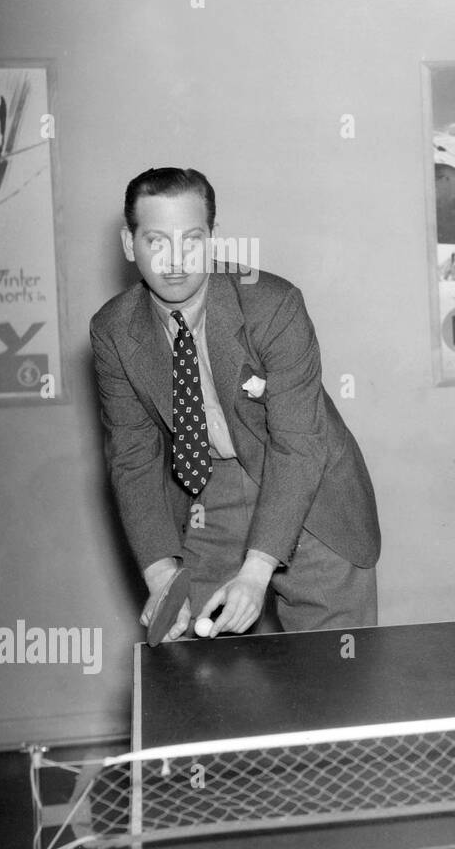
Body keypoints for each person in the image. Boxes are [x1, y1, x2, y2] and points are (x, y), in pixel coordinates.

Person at [91, 167, 381, 641]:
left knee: (336, 680)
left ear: (213, 239)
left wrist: (256, 570)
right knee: (195, 669)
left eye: (191, 239)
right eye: (156, 241)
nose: (176, 261)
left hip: (306, 486)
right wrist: (160, 572)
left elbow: (298, 446)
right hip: (207, 490)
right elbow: (133, 458)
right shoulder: (112, 330)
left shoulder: (274, 304)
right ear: (129, 245)